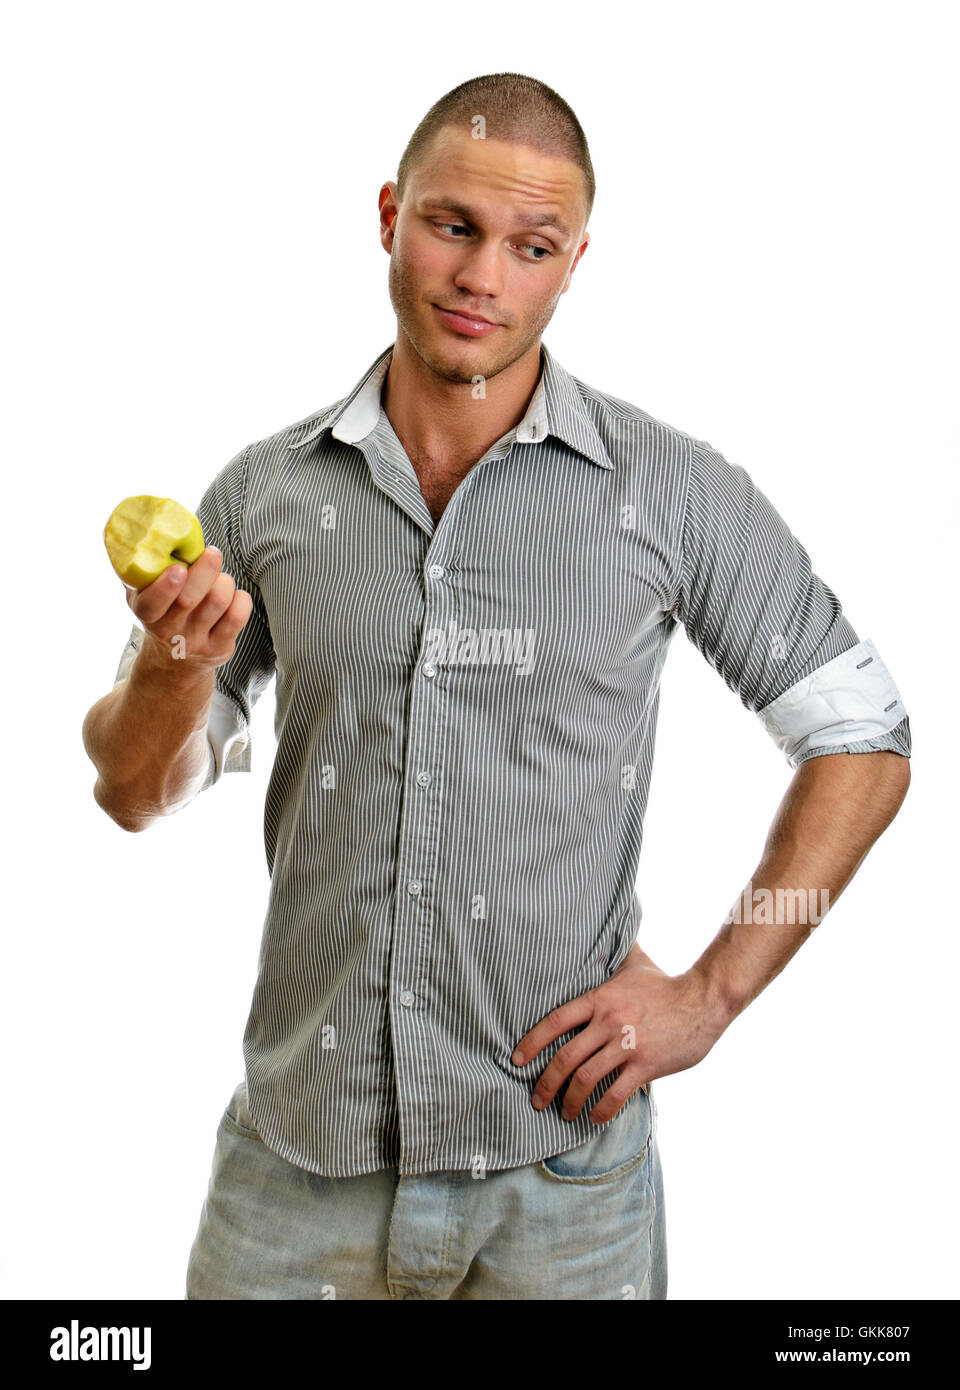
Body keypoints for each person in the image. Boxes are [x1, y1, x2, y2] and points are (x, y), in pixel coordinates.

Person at [81, 72, 911, 1301]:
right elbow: (136, 790)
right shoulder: (266, 494)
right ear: (388, 215)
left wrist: (715, 993)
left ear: (575, 262)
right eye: (453, 226)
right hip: (297, 1169)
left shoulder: (671, 492)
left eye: (531, 246)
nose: (484, 278)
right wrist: (174, 659)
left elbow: (864, 737)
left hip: (564, 1184)